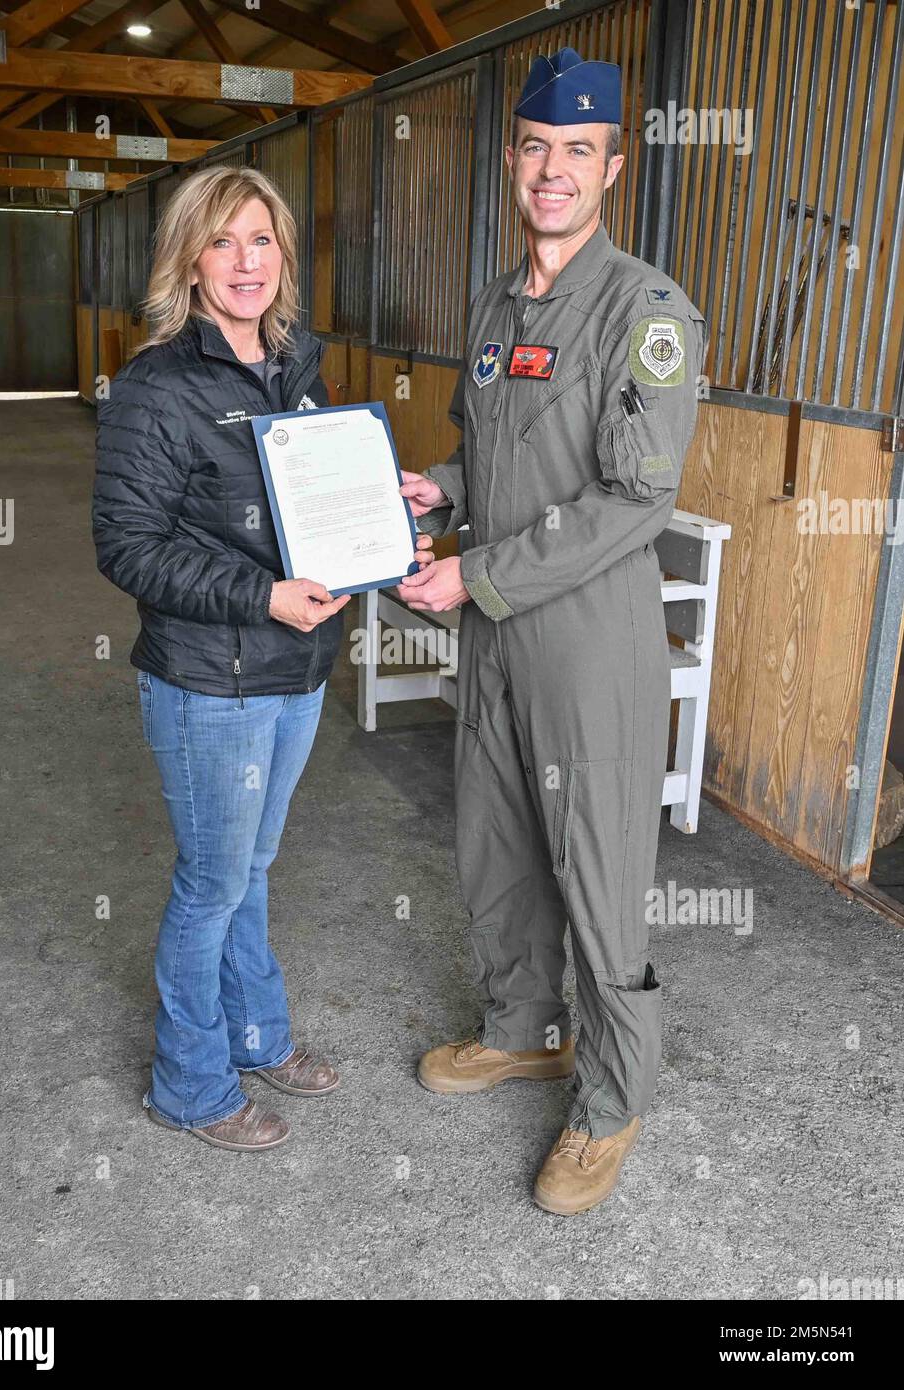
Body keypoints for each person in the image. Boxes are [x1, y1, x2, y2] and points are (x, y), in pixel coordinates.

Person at [397, 47, 706, 1213]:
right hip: (494, 630)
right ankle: (521, 1028)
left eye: (578, 152)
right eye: (534, 148)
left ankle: (611, 1098)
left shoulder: (646, 310)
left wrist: (473, 570)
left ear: (611, 167)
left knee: (594, 863)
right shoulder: (496, 302)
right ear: (511, 161)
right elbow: (502, 455)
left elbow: (635, 498)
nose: (552, 170)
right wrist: (438, 486)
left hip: (585, 640)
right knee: (495, 840)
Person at [93, 165, 431, 1153]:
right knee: (211, 879)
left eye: (263, 241)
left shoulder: (294, 365)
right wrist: (263, 595)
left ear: (282, 256)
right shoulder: (156, 387)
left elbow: (315, 499)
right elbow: (127, 546)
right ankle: (189, 1086)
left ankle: (255, 1032)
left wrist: (384, 528)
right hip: (210, 680)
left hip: (295, 669)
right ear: (188, 261)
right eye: (222, 241)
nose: (245, 261)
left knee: (252, 865)